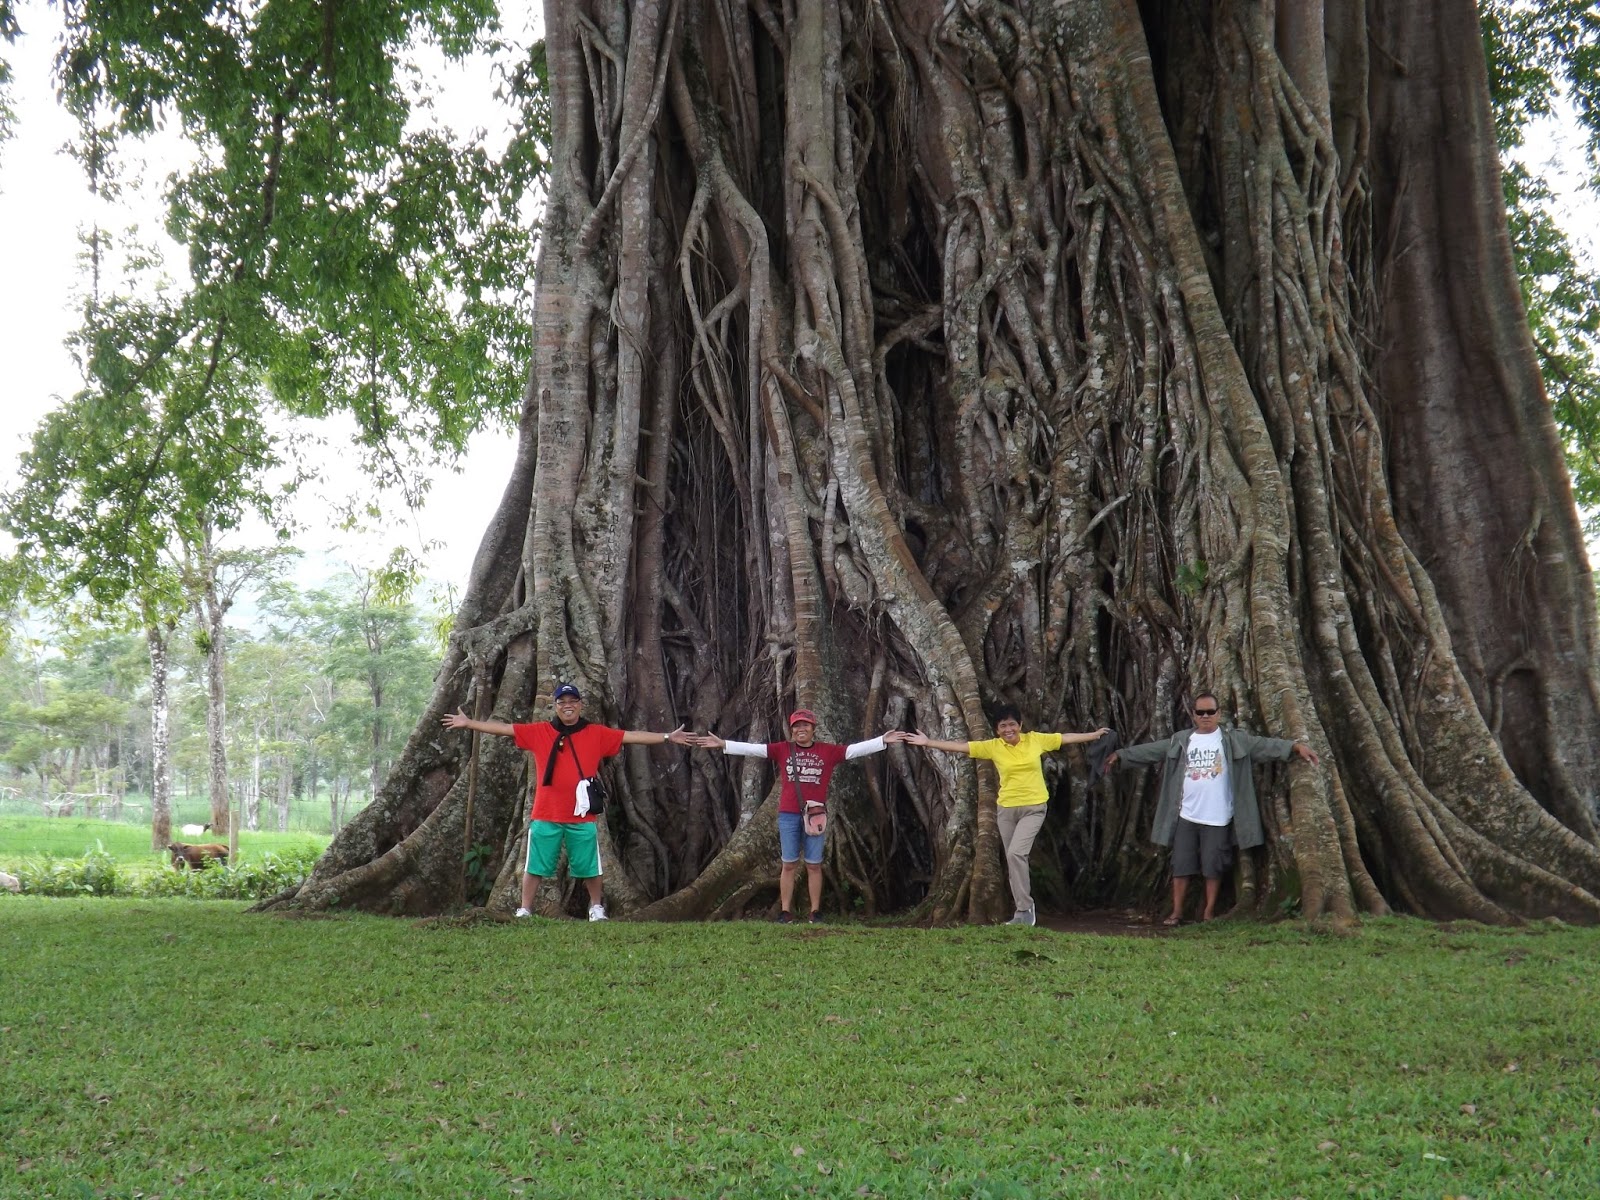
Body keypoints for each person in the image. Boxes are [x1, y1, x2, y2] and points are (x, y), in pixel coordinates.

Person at [442, 683, 692, 921]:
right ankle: (525, 909)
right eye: (563, 702)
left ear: (581, 705)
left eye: (573, 701)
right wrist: (468, 723)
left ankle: (596, 908)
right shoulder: (540, 731)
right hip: (545, 812)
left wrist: (668, 737)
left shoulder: (596, 733)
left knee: (589, 865)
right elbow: (506, 729)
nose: (568, 706)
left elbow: (631, 736)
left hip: (581, 814)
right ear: (556, 706)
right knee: (535, 864)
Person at [1107, 691, 1319, 925]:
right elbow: (1151, 751)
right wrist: (1120, 755)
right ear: (1194, 715)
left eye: (1210, 712)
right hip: (1186, 815)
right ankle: (1176, 912)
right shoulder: (1181, 740)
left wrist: (1295, 747)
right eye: (1201, 712)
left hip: (1218, 817)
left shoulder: (1234, 740)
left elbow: (1265, 745)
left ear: (1218, 714)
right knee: (1181, 864)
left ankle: (1208, 912)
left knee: (1213, 865)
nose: (1206, 716)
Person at [691, 711, 909, 924]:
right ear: (792, 730)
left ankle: (815, 912)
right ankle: (785, 911)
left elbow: (853, 750)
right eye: (796, 726)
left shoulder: (827, 751)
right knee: (789, 864)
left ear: (813, 729)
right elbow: (756, 749)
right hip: (788, 814)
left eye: (805, 725)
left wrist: (883, 740)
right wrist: (724, 745)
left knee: (814, 865)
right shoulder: (784, 749)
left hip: (815, 815)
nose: (800, 729)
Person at [906, 706, 1110, 926]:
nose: (1008, 729)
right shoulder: (993, 747)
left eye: (1012, 724)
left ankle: (1025, 908)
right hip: (1006, 811)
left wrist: (1094, 735)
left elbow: (1065, 737)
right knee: (1013, 861)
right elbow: (962, 747)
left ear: (1020, 726)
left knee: (1015, 854)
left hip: (1033, 808)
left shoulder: (1035, 740)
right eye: (1003, 725)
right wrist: (928, 742)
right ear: (997, 730)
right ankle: (1020, 913)